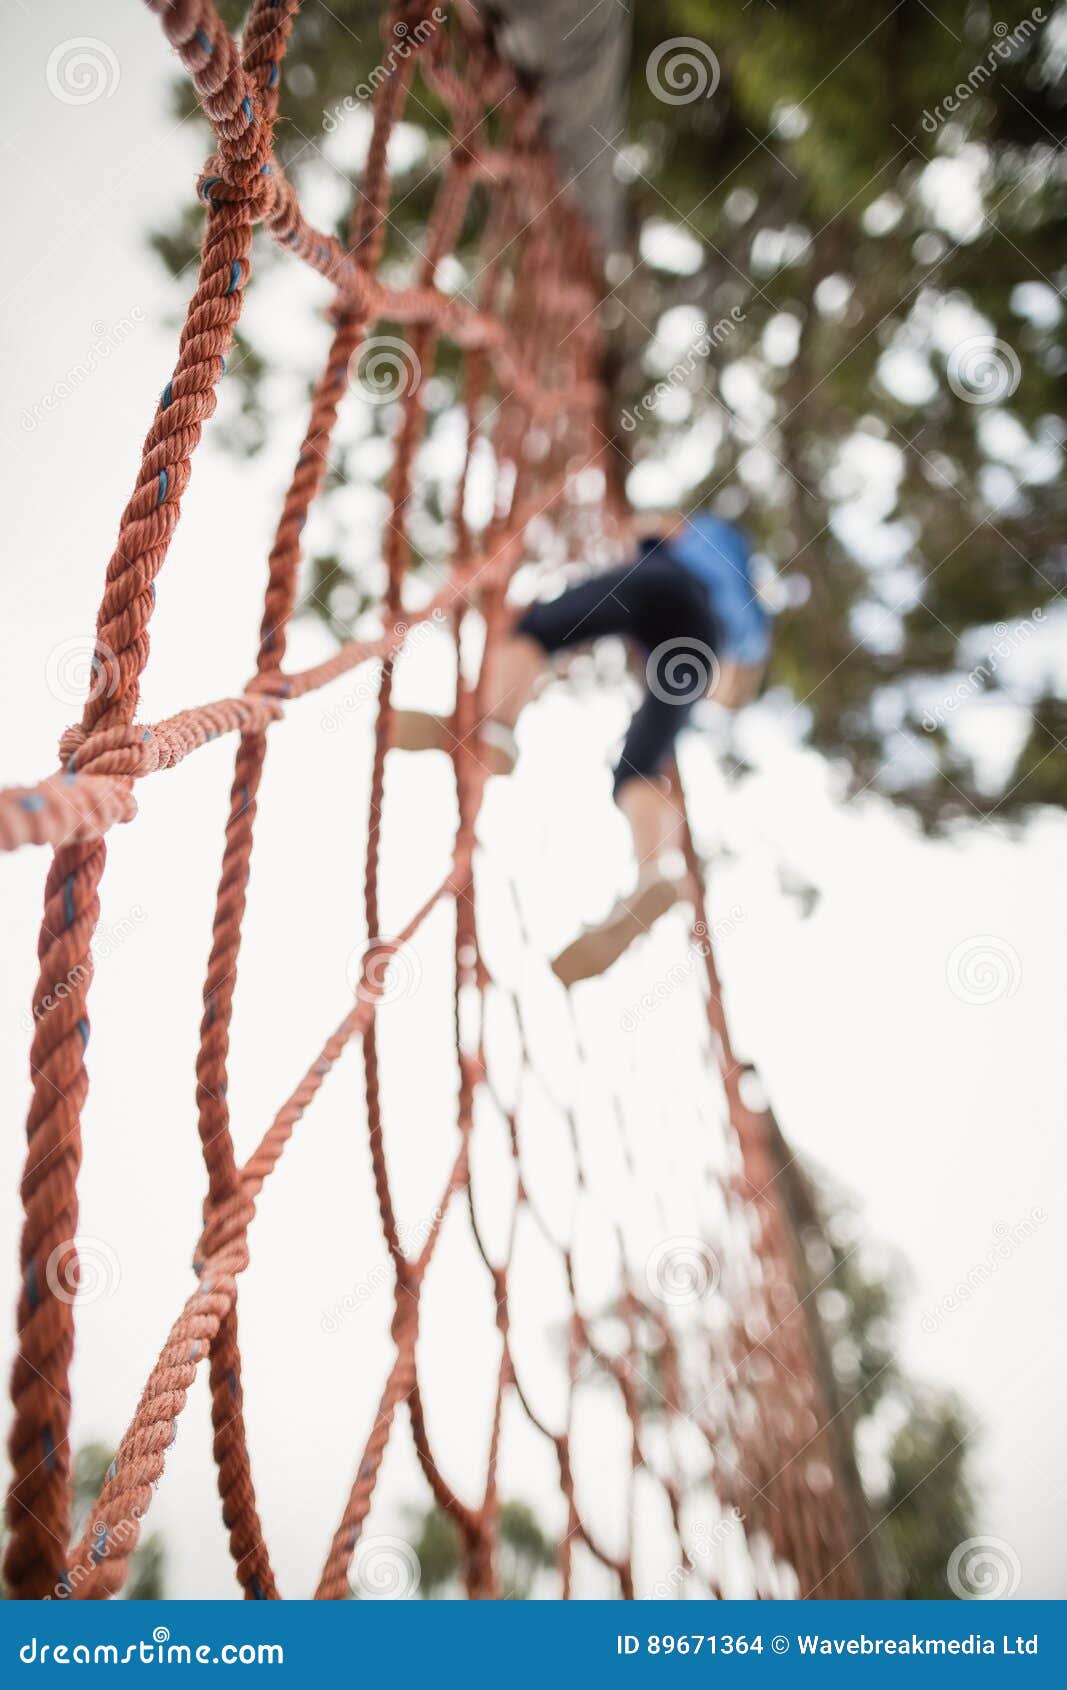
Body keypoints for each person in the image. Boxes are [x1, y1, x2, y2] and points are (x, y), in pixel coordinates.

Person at [392, 510, 771, 983]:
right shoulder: (753, 613)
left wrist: (638, 532)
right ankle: (651, 873)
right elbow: (735, 691)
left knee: (538, 629)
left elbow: (655, 524)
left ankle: (499, 728)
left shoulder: (708, 534)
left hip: (661, 583)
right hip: (705, 638)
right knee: (640, 764)